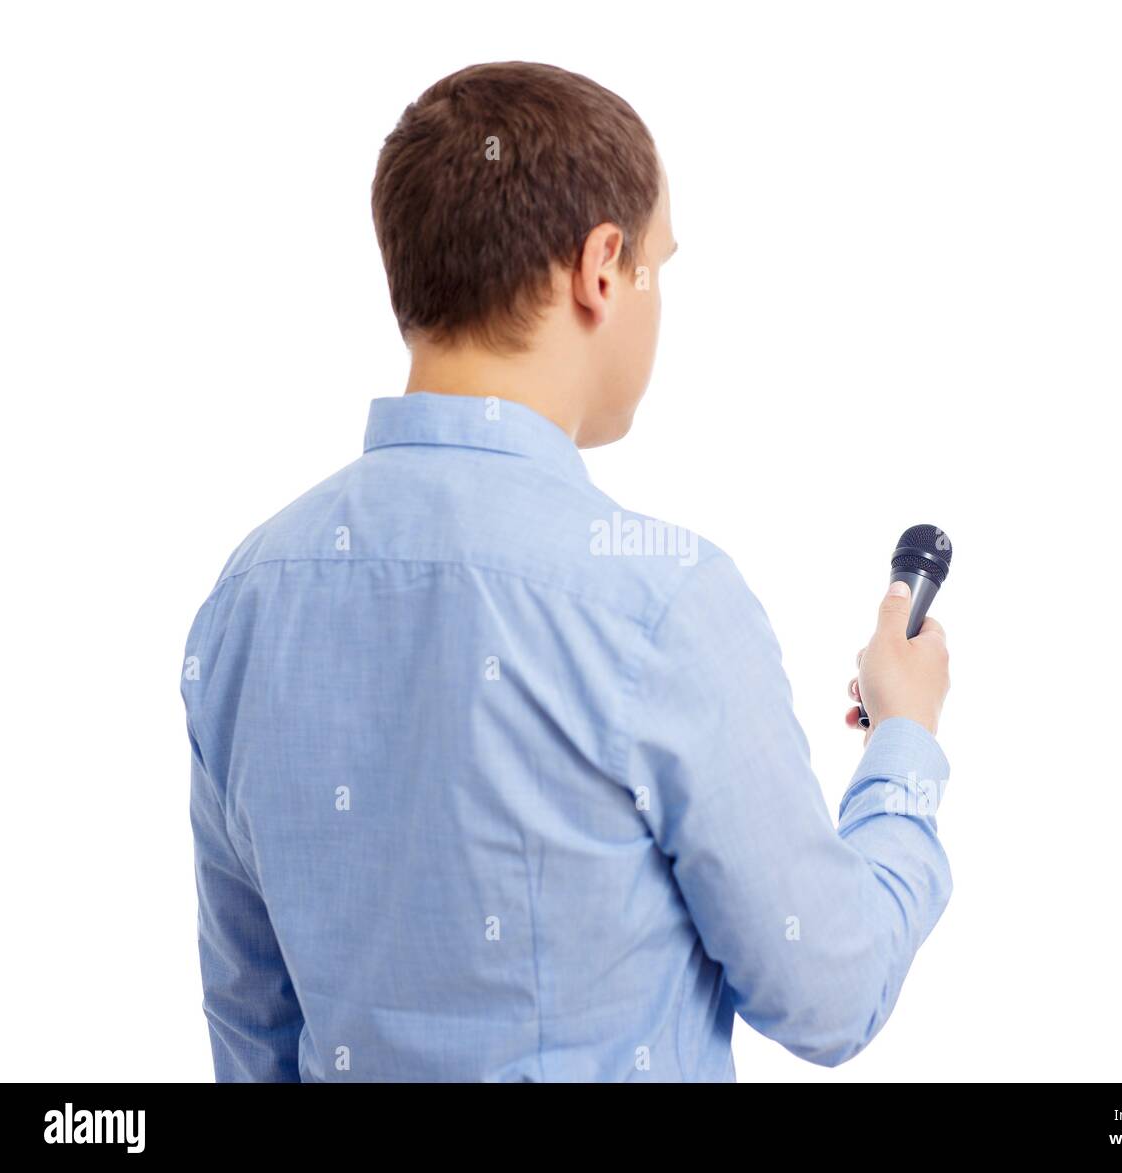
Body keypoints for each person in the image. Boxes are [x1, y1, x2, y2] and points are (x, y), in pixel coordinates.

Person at [181, 61, 952, 1082]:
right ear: (601, 267)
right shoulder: (661, 602)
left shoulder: (246, 602)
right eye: (659, 266)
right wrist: (902, 744)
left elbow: (255, 1031)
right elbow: (830, 992)